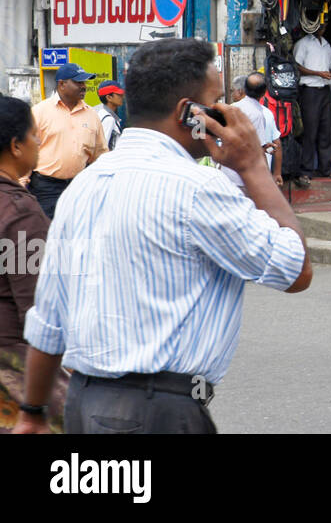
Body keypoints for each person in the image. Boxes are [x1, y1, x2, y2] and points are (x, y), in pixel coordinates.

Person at [15, 38, 311, 434]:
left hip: (83, 403)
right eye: (217, 103)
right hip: (158, 413)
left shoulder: (82, 188)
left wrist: (32, 413)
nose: (225, 113)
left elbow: (48, 322)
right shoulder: (200, 189)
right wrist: (254, 167)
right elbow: (296, 271)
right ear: (189, 112)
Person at [0, 97, 66, 433]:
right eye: (34, 136)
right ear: (15, 145)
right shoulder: (20, 212)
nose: (38, 144)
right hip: (12, 360)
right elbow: (40, 309)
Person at [30, 63, 108, 219]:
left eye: (84, 82)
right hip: (45, 188)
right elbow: (26, 150)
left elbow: (100, 154)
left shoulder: (92, 115)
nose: (84, 87)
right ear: (62, 84)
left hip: (79, 187)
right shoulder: (40, 112)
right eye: (78, 82)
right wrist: (21, 185)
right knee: (47, 234)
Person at [219, 74, 283, 194]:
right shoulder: (259, 114)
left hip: (228, 173)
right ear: (264, 93)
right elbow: (258, 151)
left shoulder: (231, 108)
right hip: (244, 177)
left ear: (244, 90)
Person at [294, 22, 331, 180]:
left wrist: (330, 74)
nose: (322, 29)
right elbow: (296, 66)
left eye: (324, 26)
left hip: (325, 89)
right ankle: (306, 170)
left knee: (326, 130)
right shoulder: (303, 44)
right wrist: (318, 74)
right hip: (310, 90)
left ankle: (325, 168)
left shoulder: (326, 44)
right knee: (310, 131)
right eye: (319, 26)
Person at [94, 80, 125, 151]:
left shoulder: (101, 114)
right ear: (109, 98)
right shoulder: (108, 119)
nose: (122, 97)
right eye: (119, 95)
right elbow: (102, 149)